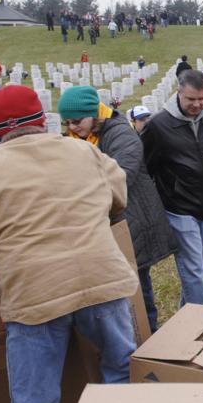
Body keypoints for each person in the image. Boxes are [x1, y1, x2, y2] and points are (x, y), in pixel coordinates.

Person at [0, 85, 139, 403]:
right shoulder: (84, 151)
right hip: (101, 278)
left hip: (32, 292)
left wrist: (6, 284)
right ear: (42, 119)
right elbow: (118, 196)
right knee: (122, 371)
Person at [58, 86, 177, 333]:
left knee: (137, 285)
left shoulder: (120, 134)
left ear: (94, 113)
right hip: (103, 220)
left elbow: (122, 175)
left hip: (132, 219)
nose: (72, 127)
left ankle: (148, 334)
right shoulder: (78, 138)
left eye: (77, 121)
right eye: (67, 122)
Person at [141, 70, 203, 306]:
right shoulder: (159, 125)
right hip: (179, 208)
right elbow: (146, 167)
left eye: (201, 99)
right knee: (193, 270)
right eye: (190, 99)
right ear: (179, 93)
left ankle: (187, 319)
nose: (196, 104)